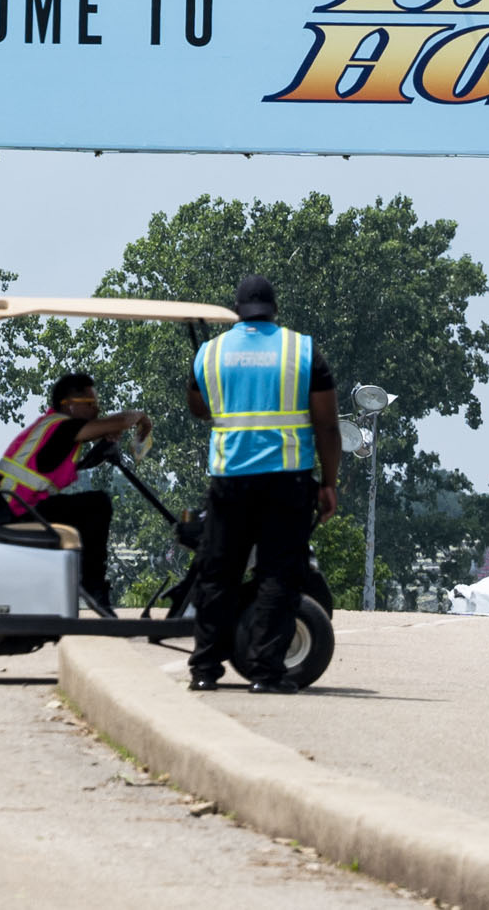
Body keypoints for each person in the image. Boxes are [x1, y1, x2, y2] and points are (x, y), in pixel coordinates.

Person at [183, 274, 343, 694]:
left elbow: (199, 406)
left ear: (237, 311)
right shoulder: (302, 351)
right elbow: (326, 425)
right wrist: (329, 483)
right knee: (278, 576)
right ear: (274, 310)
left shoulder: (210, 353)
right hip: (285, 482)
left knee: (218, 574)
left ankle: (204, 670)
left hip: (229, 479)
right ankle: (265, 672)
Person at [0, 371, 151, 608]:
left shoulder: (53, 429)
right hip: (16, 509)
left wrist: (102, 444)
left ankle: (86, 582)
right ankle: (93, 585)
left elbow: (74, 464)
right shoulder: (62, 427)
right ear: (68, 405)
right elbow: (119, 421)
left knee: (87, 506)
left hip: (17, 506)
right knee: (98, 504)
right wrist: (141, 417)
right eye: (90, 404)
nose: (95, 410)